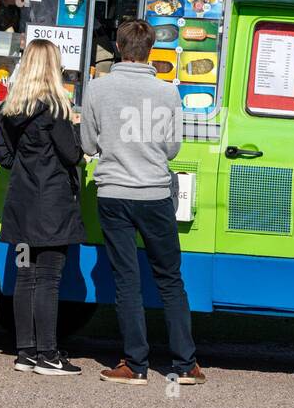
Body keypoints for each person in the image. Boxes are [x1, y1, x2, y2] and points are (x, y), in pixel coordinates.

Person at [80, 20, 204, 386]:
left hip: (114, 193)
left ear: (118, 47)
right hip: (154, 193)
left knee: (126, 280)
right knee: (170, 279)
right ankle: (185, 365)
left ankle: (135, 364)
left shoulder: (98, 89)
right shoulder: (167, 93)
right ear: (151, 50)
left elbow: (88, 144)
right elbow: (172, 148)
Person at [0, 39, 86, 376]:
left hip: (21, 205)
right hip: (52, 205)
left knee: (25, 276)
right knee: (49, 278)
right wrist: (75, 129)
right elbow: (71, 155)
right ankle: (49, 354)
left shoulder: (7, 110)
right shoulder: (56, 110)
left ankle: (25, 352)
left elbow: (4, 158)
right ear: (52, 68)